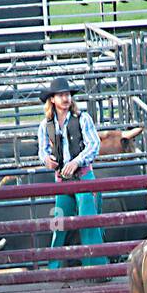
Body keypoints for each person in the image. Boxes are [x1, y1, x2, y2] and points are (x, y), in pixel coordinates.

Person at [36, 77, 105, 270]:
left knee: (88, 222)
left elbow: (94, 145)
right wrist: (46, 160)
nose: (65, 98)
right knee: (58, 224)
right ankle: (54, 267)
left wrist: (77, 161)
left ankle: (97, 268)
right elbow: (42, 150)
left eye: (67, 95)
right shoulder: (45, 125)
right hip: (62, 180)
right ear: (53, 100)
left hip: (83, 176)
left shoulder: (83, 118)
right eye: (61, 95)